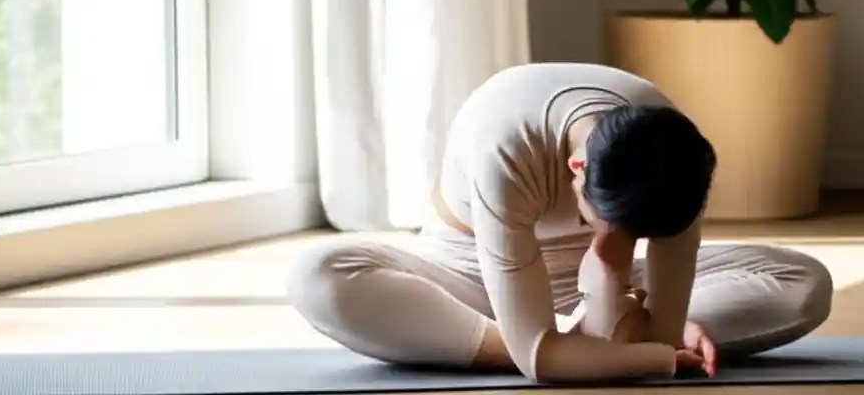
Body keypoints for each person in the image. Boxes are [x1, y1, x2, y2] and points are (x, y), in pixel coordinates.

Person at [287, 63, 833, 383]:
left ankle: (583, 348)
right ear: (577, 170)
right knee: (318, 276)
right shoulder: (506, 145)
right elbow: (542, 361)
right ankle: (537, 344)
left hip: (612, 288)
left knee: (804, 284)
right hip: (473, 274)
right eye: (614, 222)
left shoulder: (673, 152)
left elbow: (664, 323)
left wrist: (632, 298)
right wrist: (649, 353)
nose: (623, 238)